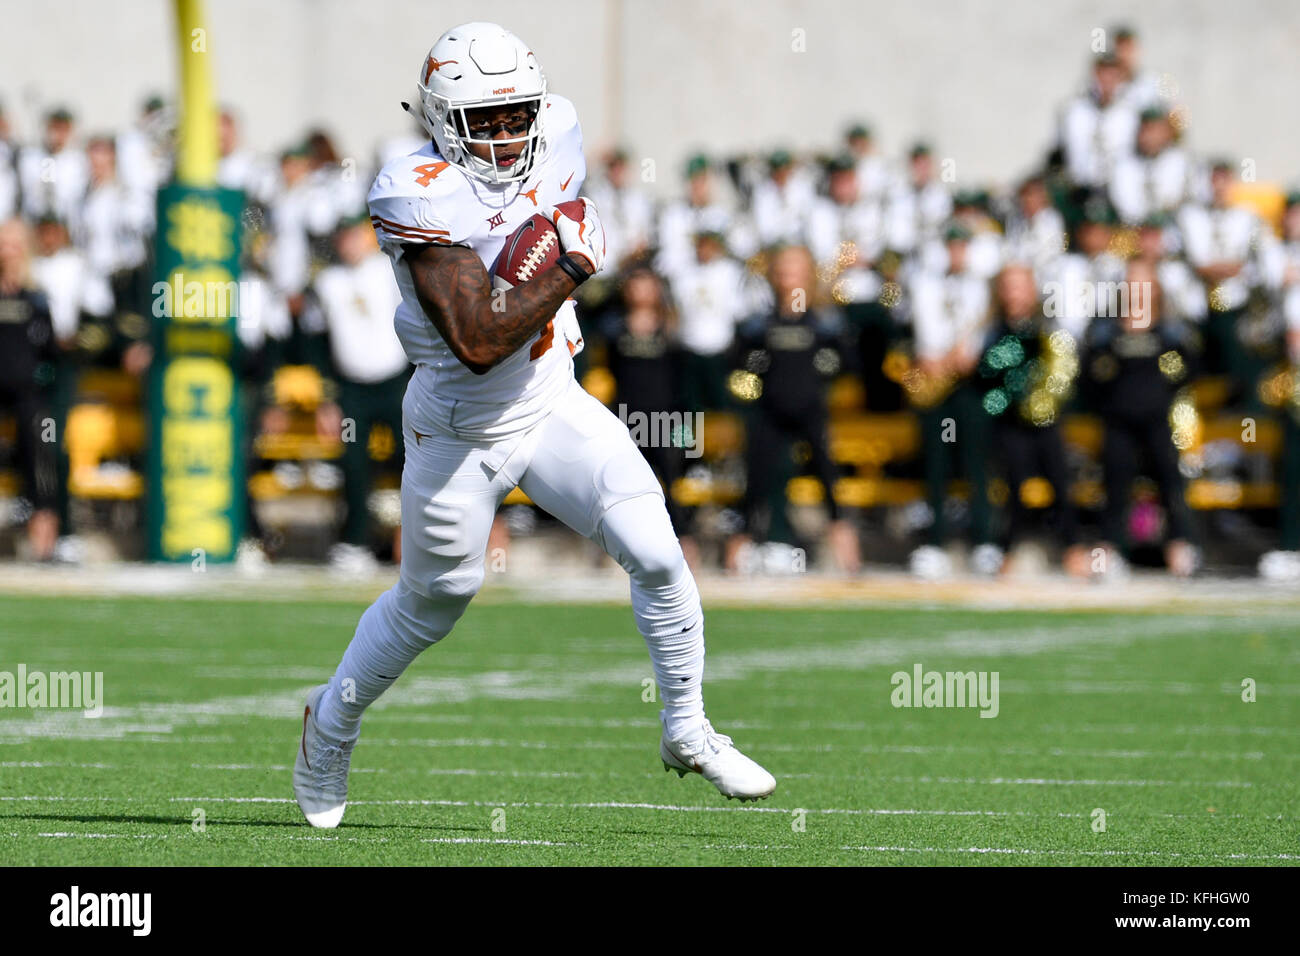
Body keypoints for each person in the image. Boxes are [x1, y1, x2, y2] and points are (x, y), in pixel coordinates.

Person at [293, 21, 775, 829]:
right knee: (433, 602)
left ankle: (687, 729)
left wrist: (556, 255)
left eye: (519, 113)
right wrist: (570, 263)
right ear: (444, 120)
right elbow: (479, 340)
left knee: (657, 553)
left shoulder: (561, 131)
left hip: (551, 399)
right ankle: (329, 724)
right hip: (458, 427)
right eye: (489, 120)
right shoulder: (416, 188)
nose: (510, 133)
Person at [726, 244, 860, 574]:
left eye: (795, 270)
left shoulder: (824, 321)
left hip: (811, 409)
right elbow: (742, 362)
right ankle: (737, 550)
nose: (789, 277)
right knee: (756, 480)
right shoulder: (761, 322)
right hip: (771, 409)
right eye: (783, 269)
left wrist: (825, 368)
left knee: (829, 478)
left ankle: (848, 555)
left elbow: (844, 361)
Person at [1082, 260, 1198, 577]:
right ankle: (1109, 548)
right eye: (1131, 285)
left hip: (1157, 420)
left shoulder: (1170, 333)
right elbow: (1093, 376)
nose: (1137, 292)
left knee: (1169, 482)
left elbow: (1184, 373)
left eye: (1144, 284)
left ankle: (1179, 545)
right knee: (1115, 485)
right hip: (1118, 422)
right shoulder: (1106, 332)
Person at [0, 220, 59, 560]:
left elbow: (49, 350)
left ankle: (44, 537)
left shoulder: (36, 297)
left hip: (28, 395)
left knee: (42, 440)